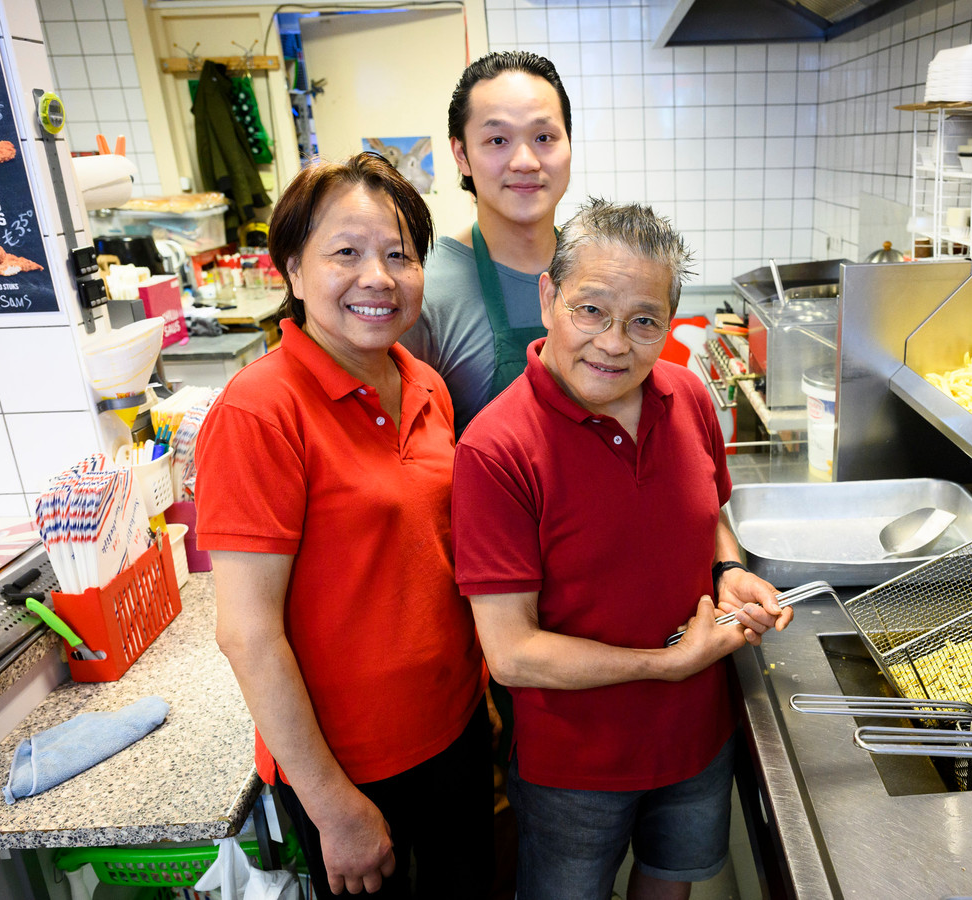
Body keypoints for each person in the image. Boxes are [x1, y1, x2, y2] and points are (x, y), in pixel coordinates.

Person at [451, 198, 794, 900]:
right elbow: (511, 653)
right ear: (549, 297)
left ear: (669, 324)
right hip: (577, 766)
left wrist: (726, 569)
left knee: (670, 883)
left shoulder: (687, 397)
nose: (613, 344)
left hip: (697, 737)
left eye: (643, 322)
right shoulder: (495, 449)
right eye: (591, 310)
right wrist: (666, 665)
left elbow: (709, 516)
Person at [196, 152, 491, 899]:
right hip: (349, 769)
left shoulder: (422, 382)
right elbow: (248, 632)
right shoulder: (260, 412)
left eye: (400, 255)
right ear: (293, 271)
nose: (379, 278)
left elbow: (430, 558)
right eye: (346, 254)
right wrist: (333, 808)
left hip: (452, 735)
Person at [399, 50, 572, 438]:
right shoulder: (424, 290)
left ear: (569, 144)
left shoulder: (598, 274)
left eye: (544, 137)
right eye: (498, 140)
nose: (525, 160)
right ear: (461, 154)